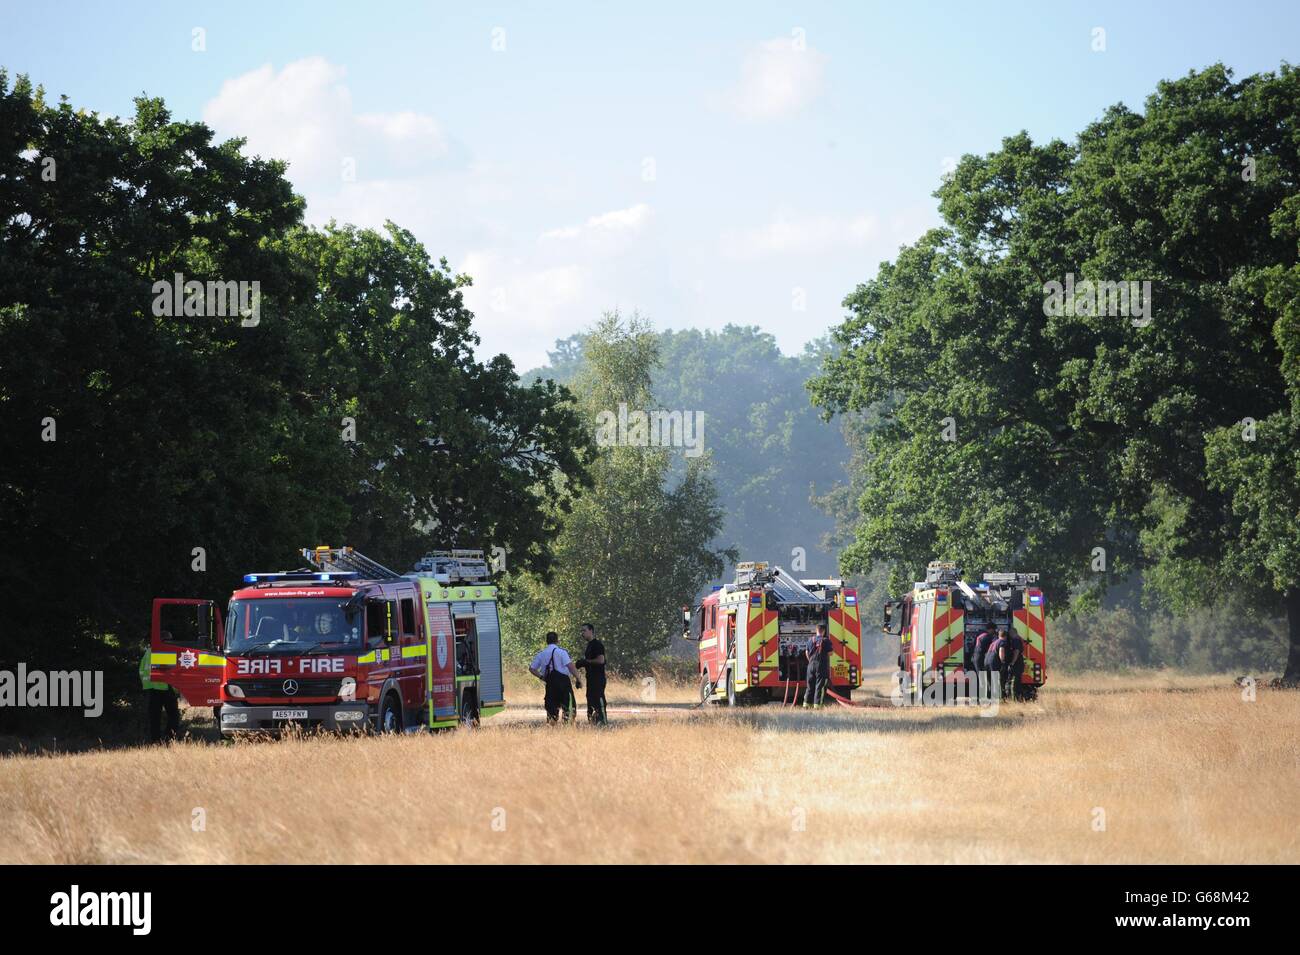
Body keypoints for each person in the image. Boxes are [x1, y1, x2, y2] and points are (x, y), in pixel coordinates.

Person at [529, 631, 581, 723]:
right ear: (557, 640)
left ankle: (552, 726)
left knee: (551, 709)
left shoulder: (541, 654)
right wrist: (578, 678)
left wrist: (542, 677)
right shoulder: (561, 652)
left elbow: (532, 669)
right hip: (563, 684)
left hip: (550, 684)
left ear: (546, 641)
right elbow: (571, 667)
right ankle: (567, 727)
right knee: (568, 708)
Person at [140, 643, 180, 742]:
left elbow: (141, 670)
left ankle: (155, 741)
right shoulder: (165, 650)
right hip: (165, 688)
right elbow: (171, 673)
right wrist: (176, 690)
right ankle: (169, 739)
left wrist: (146, 685)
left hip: (151, 688)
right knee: (173, 715)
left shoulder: (149, 651)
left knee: (154, 717)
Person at [574, 622, 608, 724]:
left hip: (598, 678)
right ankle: (593, 723)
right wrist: (582, 664)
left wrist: (586, 661)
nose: (582, 633)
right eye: (581, 631)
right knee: (591, 702)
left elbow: (601, 660)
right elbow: (590, 661)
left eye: (584, 630)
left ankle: (602, 721)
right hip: (590, 678)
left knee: (599, 701)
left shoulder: (597, 644)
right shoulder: (589, 645)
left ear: (591, 631)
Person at [803, 622, 833, 709]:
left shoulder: (810, 640)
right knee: (820, 686)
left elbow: (806, 652)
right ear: (824, 631)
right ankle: (817, 705)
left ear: (816, 630)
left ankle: (806, 704)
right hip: (821, 665)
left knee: (809, 686)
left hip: (811, 665)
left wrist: (811, 661)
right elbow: (830, 653)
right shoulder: (826, 640)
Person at [997, 626, 1026, 699]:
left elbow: (1016, 651)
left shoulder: (1016, 640)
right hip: (1019, 663)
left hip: (1017, 664)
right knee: (1016, 681)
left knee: (1013, 681)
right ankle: (1016, 697)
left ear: (1012, 633)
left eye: (1009, 634)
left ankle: (1013, 698)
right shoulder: (1019, 639)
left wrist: (1012, 662)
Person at [971, 629, 996, 696]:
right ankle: (984, 695)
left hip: (976, 658)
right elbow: (988, 650)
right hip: (981, 659)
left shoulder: (980, 635)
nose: (994, 632)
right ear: (991, 629)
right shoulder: (987, 637)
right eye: (994, 630)